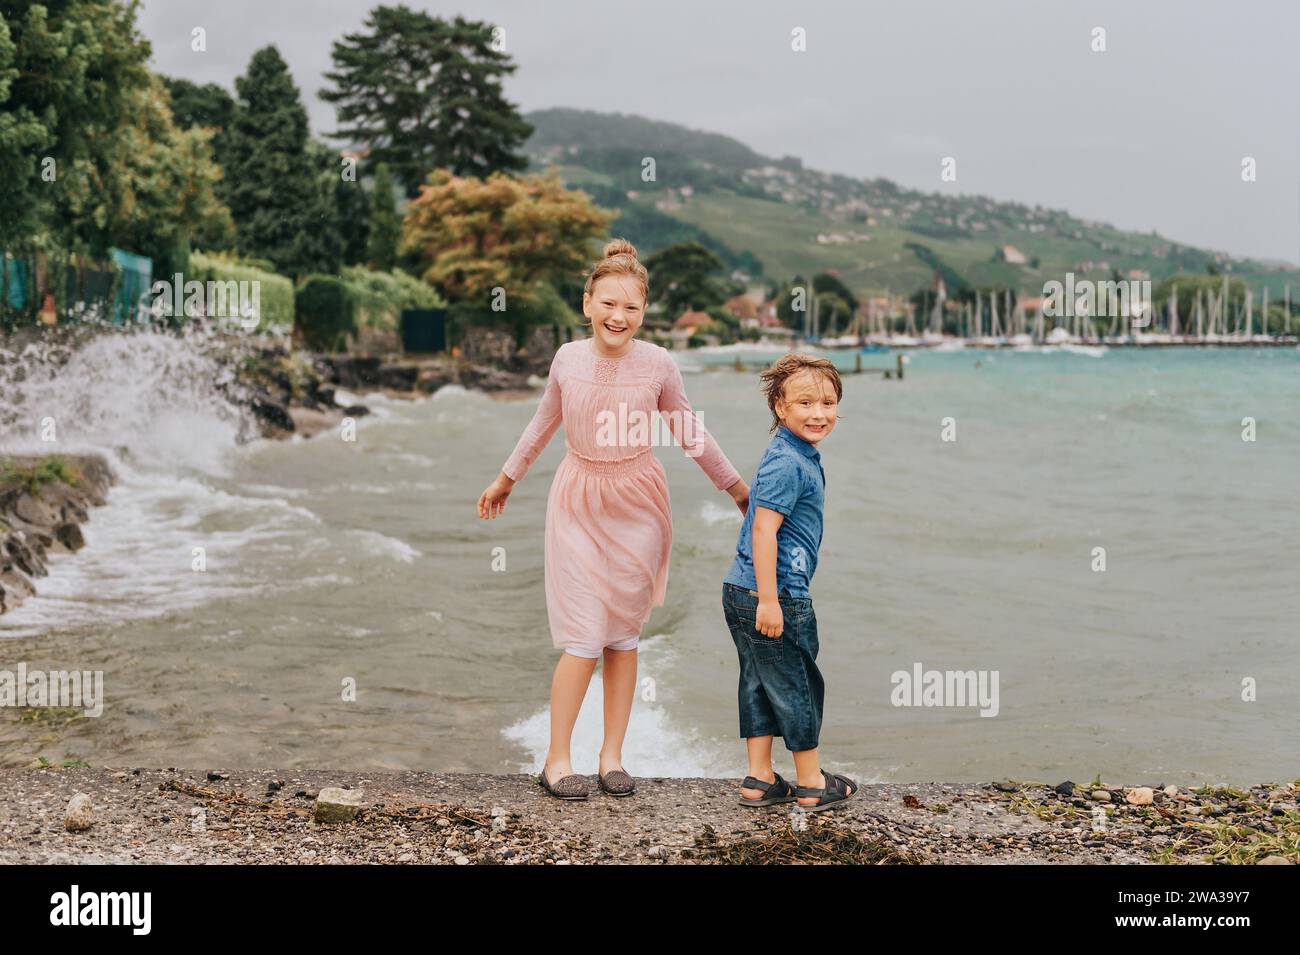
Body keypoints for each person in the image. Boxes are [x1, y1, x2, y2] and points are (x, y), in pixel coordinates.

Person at [477, 238, 748, 800]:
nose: (618, 316)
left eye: (631, 307)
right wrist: (507, 477)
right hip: (577, 500)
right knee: (582, 635)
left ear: (644, 313)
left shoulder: (658, 364)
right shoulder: (567, 359)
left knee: (623, 637)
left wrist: (737, 489)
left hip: (638, 504)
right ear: (586, 303)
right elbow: (542, 423)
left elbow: (689, 430)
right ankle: (556, 760)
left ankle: (612, 757)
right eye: (608, 303)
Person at [721, 353, 857, 811]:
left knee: (759, 678)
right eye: (804, 402)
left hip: (742, 590)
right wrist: (770, 601)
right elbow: (764, 529)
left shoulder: (792, 451)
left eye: (828, 402)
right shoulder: (787, 462)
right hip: (774, 594)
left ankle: (760, 779)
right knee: (798, 682)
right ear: (780, 406)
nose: (818, 413)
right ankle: (811, 782)